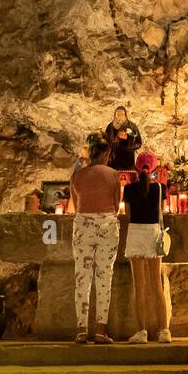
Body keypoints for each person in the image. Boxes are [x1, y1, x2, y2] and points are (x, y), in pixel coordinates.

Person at [70, 133, 122, 344]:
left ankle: (82, 330)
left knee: (82, 278)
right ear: (107, 153)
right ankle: (101, 330)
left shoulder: (77, 176)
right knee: (104, 278)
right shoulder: (113, 174)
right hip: (107, 225)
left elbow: (75, 205)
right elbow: (116, 204)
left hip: (83, 225)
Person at [123, 151, 172, 344]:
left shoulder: (128, 189)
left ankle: (141, 331)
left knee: (139, 286)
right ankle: (164, 331)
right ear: (154, 168)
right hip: (153, 233)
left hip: (135, 233)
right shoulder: (160, 188)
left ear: (136, 167)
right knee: (156, 285)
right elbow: (161, 212)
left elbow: (127, 215)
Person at [104, 106, 142, 171]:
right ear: (114, 115)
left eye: (122, 115)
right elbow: (105, 141)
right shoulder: (110, 127)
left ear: (125, 116)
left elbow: (138, 143)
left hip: (127, 161)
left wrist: (127, 140)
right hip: (113, 162)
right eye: (117, 115)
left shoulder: (132, 126)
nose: (119, 117)